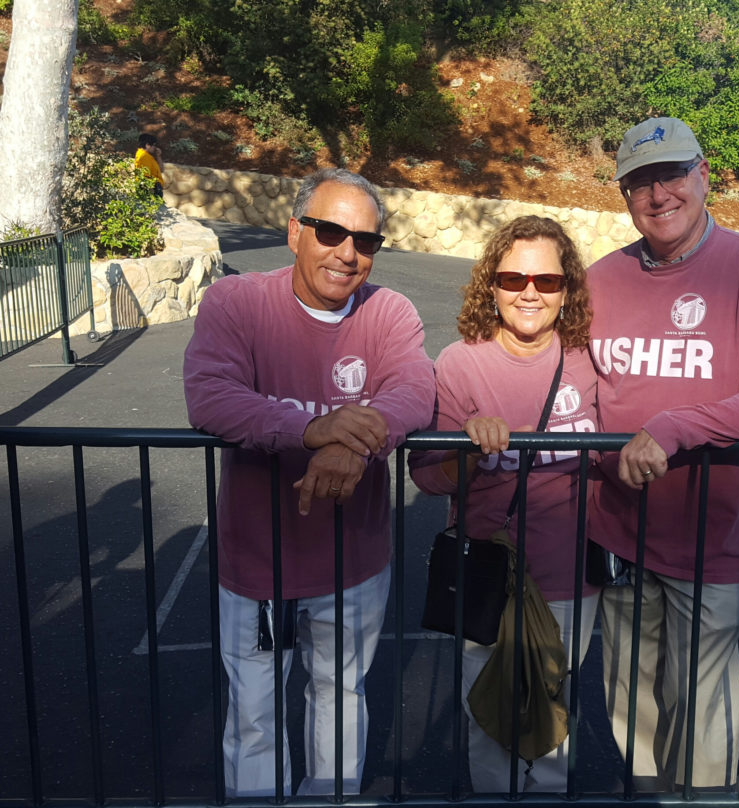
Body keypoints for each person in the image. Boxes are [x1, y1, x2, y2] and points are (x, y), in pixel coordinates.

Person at [183, 168, 434, 796]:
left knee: (342, 699)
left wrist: (354, 438)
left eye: (366, 241)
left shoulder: (391, 312)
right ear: (295, 231)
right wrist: (311, 432)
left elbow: (414, 391)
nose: (347, 253)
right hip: (259, 563)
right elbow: (211, 396)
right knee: (255, 718)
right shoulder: (235, 302)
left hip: (355, 564)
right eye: (330, 231)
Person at [587, 117, 739, 789]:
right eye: (639, 183)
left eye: (671, 176)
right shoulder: (601, 279)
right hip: (618, 532)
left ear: (704, 174)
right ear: (624, 195)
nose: (658, 196)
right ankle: (645, 796)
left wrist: (675, 427)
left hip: (708, 543)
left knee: (704, 710)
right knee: (629, 701)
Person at [408, 215, 599, 792]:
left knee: (554, 714)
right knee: (489, 719)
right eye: (513, 277)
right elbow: (428, 478)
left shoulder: (589, 357)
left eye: (547, 279)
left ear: (568, 288)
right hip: (490, 576)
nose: (530, 292)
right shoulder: (461, 363)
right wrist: (467, 448)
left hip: (571, 575)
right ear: (491, 285)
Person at [134, 133, 165, 198]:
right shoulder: (143, 156)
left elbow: (161, 170)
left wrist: (158, 156)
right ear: (147, 145)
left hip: (156, 187)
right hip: (151, 189)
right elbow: (145, 176)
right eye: (154, 145)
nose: (155, 148)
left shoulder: (148, 156)